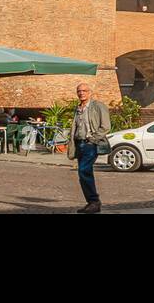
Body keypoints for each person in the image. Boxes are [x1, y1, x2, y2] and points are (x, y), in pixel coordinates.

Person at [68, 82, 111, 213]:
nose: (81, 93)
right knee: (83, 174)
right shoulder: (78, 108)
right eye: (79, 91)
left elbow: (106, 126)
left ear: (90, 92)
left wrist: (93, 140)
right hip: (79, 144)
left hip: (90, 144)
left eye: (84, 91)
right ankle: (92, 203)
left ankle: (94, 201)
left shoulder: (98, 106)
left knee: (84, 171)